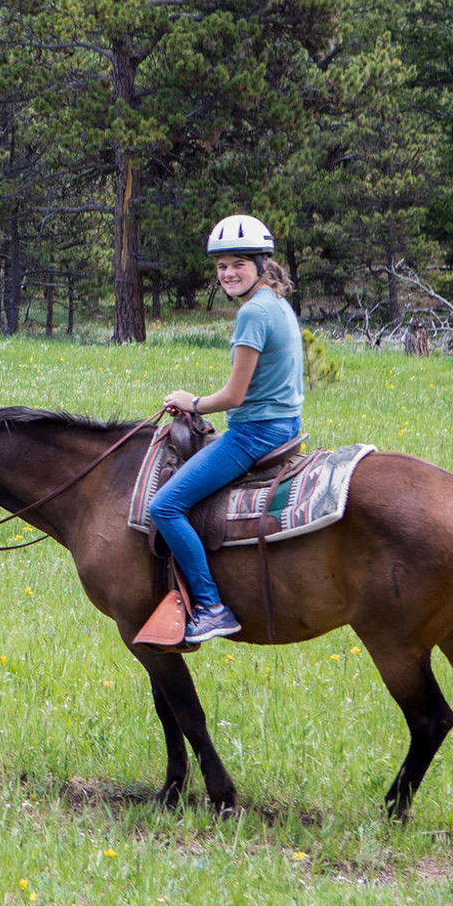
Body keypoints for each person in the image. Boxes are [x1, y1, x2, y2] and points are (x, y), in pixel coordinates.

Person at [148, 213, 304, 644]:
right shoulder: (275, 303)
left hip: (255, 433)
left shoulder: (253, 313)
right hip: (284, 422)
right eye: (221, 266)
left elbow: (235, 396)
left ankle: (211, 607)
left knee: (165, 506)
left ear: (259, 263)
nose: (228, 273)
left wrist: (192, 403)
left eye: (238, 263)